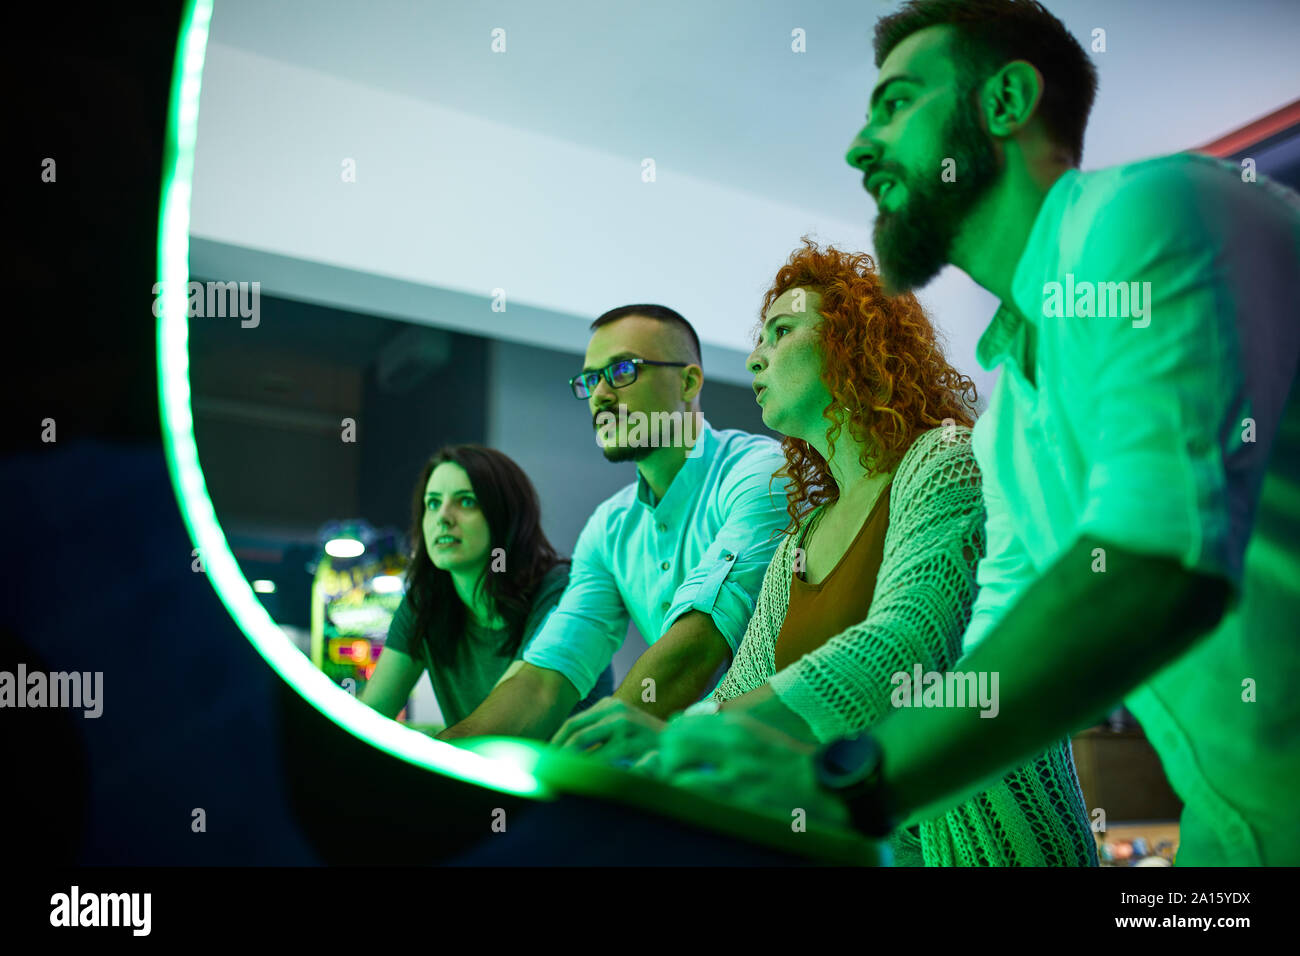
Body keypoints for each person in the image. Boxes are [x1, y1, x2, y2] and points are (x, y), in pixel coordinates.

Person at [653, 0, 1300, 866]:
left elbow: (1155, 569)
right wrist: (692, 751)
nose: (859, 146)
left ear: (1004, 104)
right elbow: (988, 670)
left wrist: (848, 783)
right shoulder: (1012, 429)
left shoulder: (1151, 211)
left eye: (896, 103)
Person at [554, 239, 1097, 865]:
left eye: (781, 332)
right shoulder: (798, 542)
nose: (756, 359)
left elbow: (903, 645)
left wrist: (681, 735)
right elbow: (747, 690)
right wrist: (663, 742)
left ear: (853, 341)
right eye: (758, 341)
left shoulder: (944, 462)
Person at [436, 305, 790, 741]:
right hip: (694, 769)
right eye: (591, 379)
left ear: (688, 381)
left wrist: (599, 737)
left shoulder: (762, 472)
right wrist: (445, 752)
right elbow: (547, 678)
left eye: (622, 370)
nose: (601, 394)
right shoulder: (608, 529)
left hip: (803, 771)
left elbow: (701, 643)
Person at [362, 445, 613, 729]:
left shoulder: (559, 590)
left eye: (466, 502)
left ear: (506, 516)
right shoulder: (426, 600)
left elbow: (512, 725)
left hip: (568, 772)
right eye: (432, 503)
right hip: (471, 770)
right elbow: (368, 720)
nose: (443, 517)